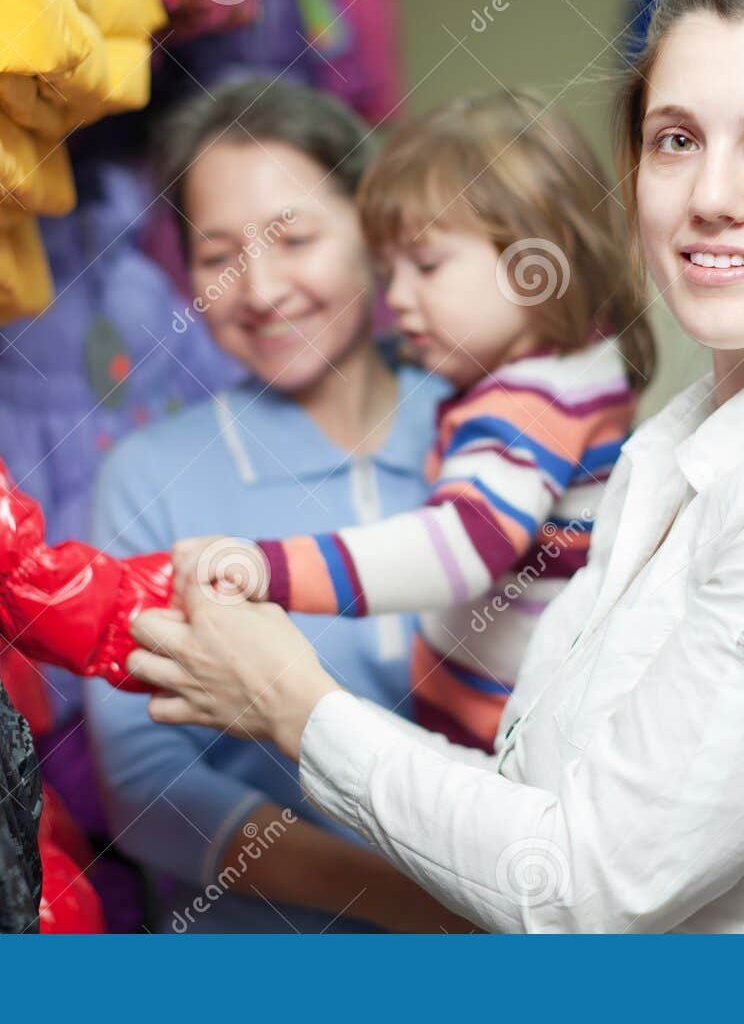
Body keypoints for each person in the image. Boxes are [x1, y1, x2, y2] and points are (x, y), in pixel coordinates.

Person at [125, 0, 744, 933]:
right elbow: (542, 798)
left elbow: (587, 885)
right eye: (676, 140)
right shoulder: (677, 443)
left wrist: (298, 707)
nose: (711, 194)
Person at [85, 80, 469, 932]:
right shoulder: (150, 479)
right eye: (219, 254)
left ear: (374, 231)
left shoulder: (493, 441)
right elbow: (145, 783)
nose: (260, 289)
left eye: (293, 237)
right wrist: (422, 901)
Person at [173, 90, 653, 751]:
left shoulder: (532, 404)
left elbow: (458, 548)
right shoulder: (578, 376)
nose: (396, 298)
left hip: (506, 749)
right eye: (389, 268)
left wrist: (269, 567)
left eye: (426, 266)